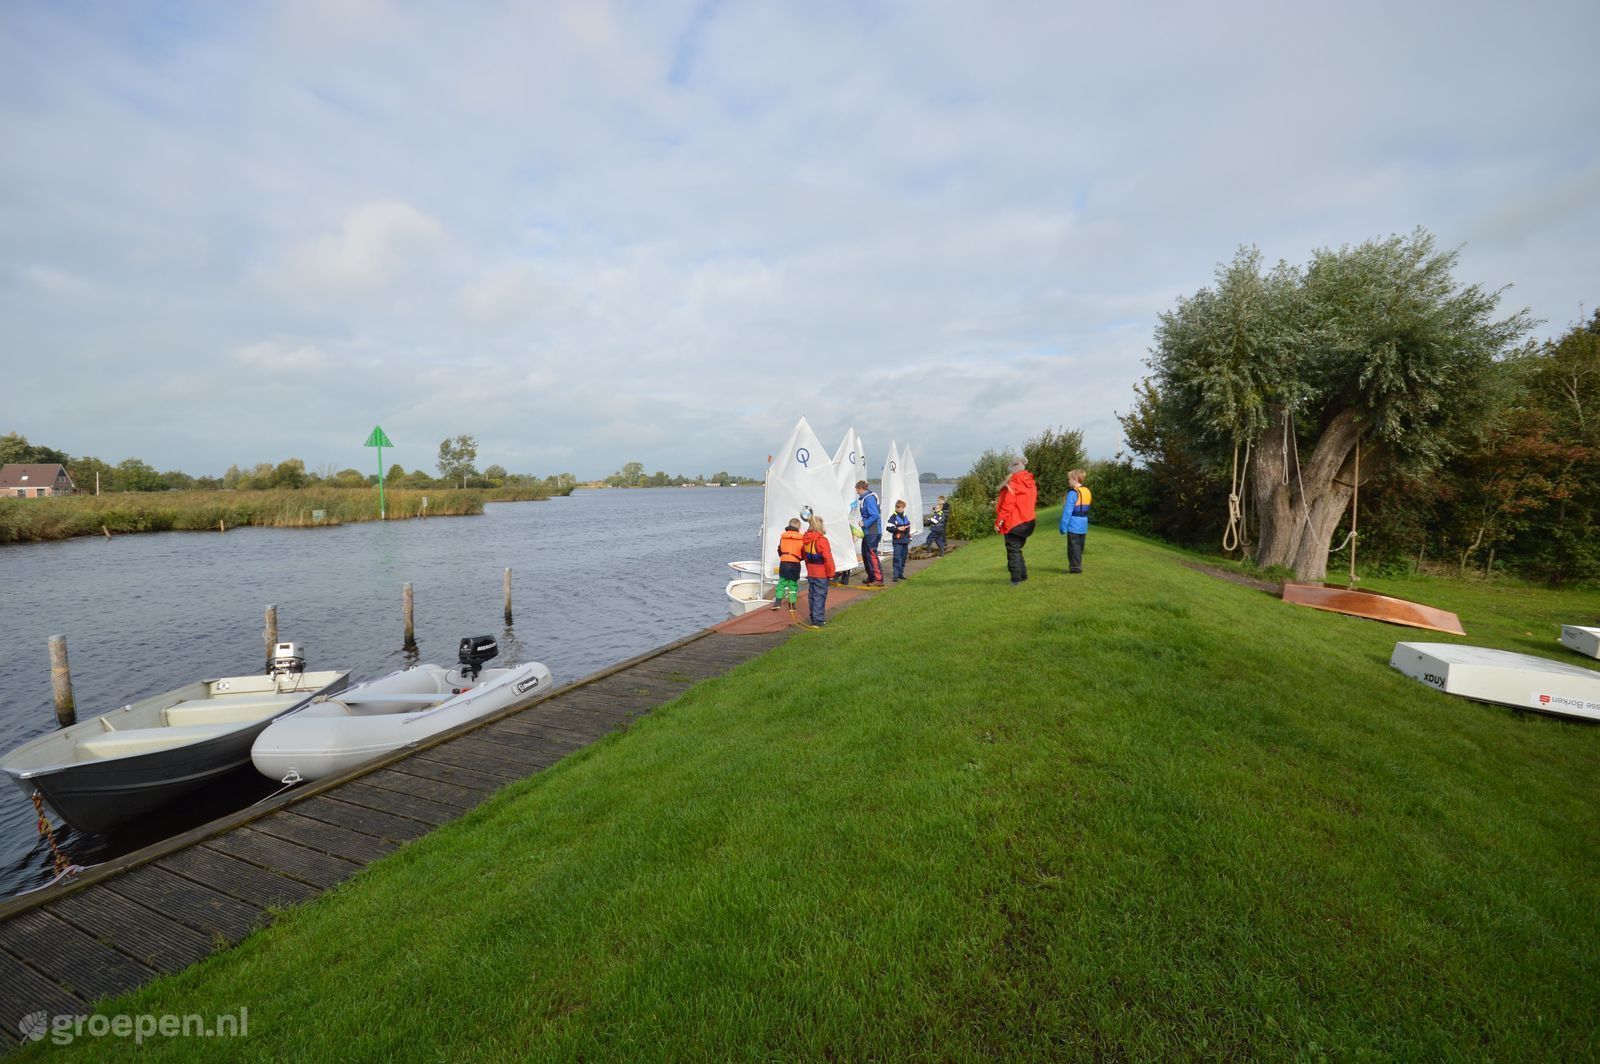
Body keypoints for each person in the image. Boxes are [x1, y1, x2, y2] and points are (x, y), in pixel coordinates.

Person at [994, 457, 1037, 585]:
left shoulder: (1013, 486)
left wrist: (998, 523)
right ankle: (1023, 576)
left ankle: (1016, 579)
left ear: (1013, 470)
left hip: (1015, 523)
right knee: (1017, 549)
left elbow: (1007, 507)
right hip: (1028, 521)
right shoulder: (1031, 484)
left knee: (1013, 551)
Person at [801, 515, 836, 627]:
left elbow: (805, 557)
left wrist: (808, 570)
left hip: (811, 571)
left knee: (812, 595)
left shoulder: (805, 540)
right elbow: (828, 559)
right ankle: (818, 620)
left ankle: (814, 617)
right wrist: (831, 573)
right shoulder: (822, 541)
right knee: (819, 596)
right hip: (821, 573)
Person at [771, 517, 805, 621]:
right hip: (795, 563)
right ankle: (791, 605)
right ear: (799, 527)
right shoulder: (801, 538)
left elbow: (779, 550)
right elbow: (803, 552)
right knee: (792, 584)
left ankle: (777, 602)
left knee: (782, 582)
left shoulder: (783, 537)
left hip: (784, 563)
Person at [1059, 468, 1092, 573]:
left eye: (1069, 479)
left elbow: (1067, 512)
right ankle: (1077, 565)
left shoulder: (1073, 493)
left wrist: (1063, 527)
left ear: (1075, 479)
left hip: (1074, 524)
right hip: (1083, 523)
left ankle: (1075, 568)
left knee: (1073, 547)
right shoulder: (1087, 491)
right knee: (1079, 546)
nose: (1068, 481)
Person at [855, 480, 884, 585]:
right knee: (865, 554)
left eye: (857, 490)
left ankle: (878, 579)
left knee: (871, 554)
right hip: (868, 532)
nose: (857, 493)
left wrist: (864, 523)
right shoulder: (865, 498)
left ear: (861, 488)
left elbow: (875, 515)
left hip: (873, 531)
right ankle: (871, 576)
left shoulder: (869, 498)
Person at [887, 499, 912, 581]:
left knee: (904, 558)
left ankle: (901, 574)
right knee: (897, 558)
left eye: (903, 508)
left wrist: (910, 537)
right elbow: (889, 528)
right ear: (896, 508)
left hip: (905, 540)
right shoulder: (892, 518)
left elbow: (908, 528)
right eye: (900, 508)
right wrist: (898, 528)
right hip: (897, 541)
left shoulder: (905, 516)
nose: (902, 509)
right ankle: (895, 576)